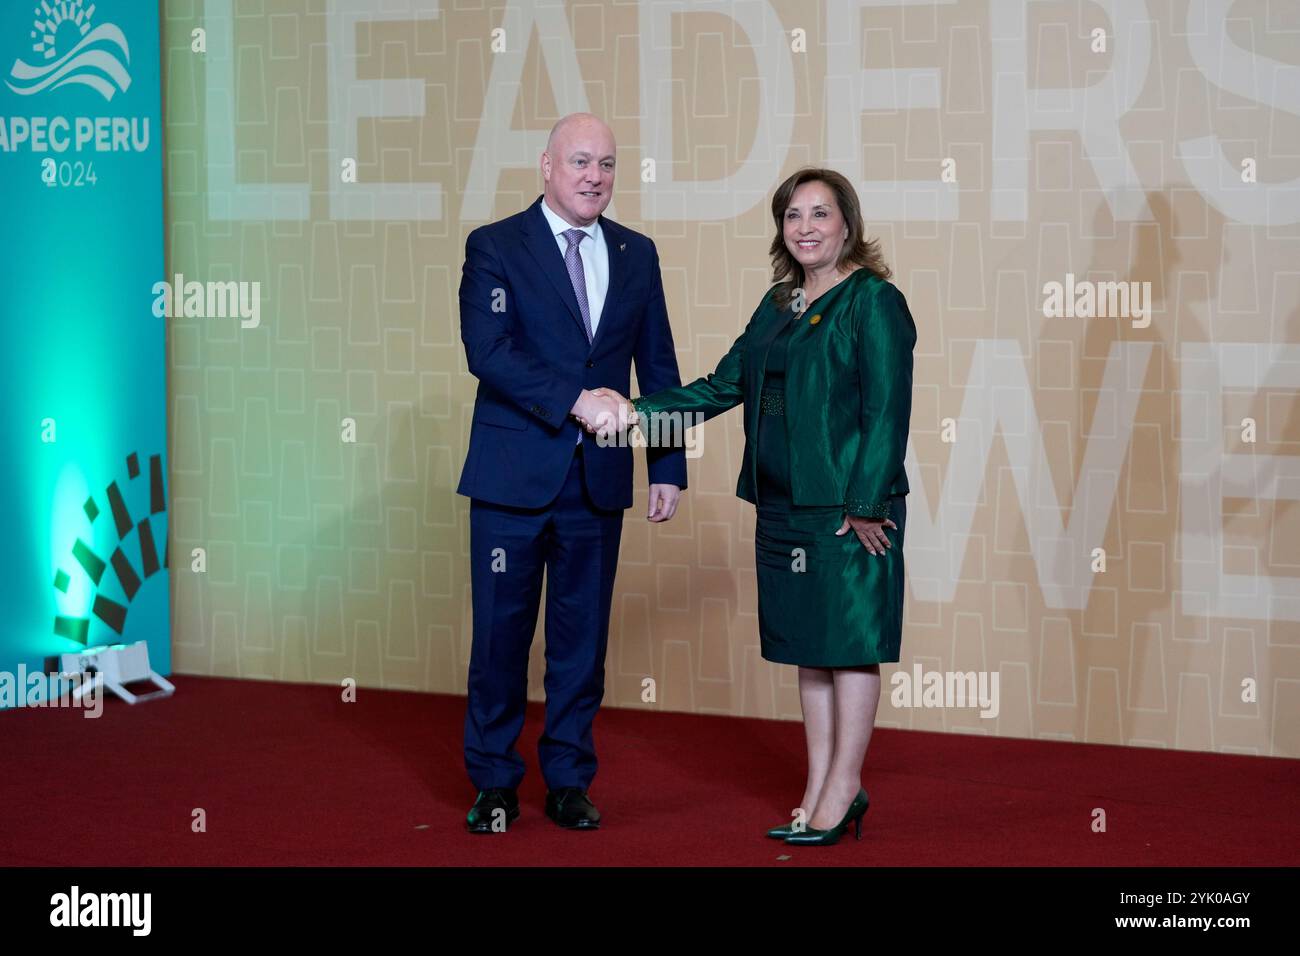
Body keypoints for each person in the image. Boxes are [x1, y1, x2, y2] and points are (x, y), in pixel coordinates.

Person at [599, 167, 916, 847]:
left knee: (849, 648)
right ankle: (819, 787)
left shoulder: (874, 302)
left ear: (847, 224)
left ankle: (845, 787)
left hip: (847, 508)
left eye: (819, 214)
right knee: (810, 650)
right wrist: (634, 415)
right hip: (782, 503)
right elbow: (723, 385)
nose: (805, 227)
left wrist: (865, 503)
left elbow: (887, 409)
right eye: (792, 215)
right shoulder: (780, 303)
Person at [456, 113, 687, 833]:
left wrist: (669, 463)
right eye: (581, 161)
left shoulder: (638, 253)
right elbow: (487, 351)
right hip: (511, 481)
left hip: (599, 483)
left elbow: (659, 363)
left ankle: (568, 780)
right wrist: (577, 401)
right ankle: (494, 782)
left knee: (581, 644)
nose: (595, 177)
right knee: (500, 637)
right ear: (547, 165)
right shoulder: (495, 246)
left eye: (608, 164)